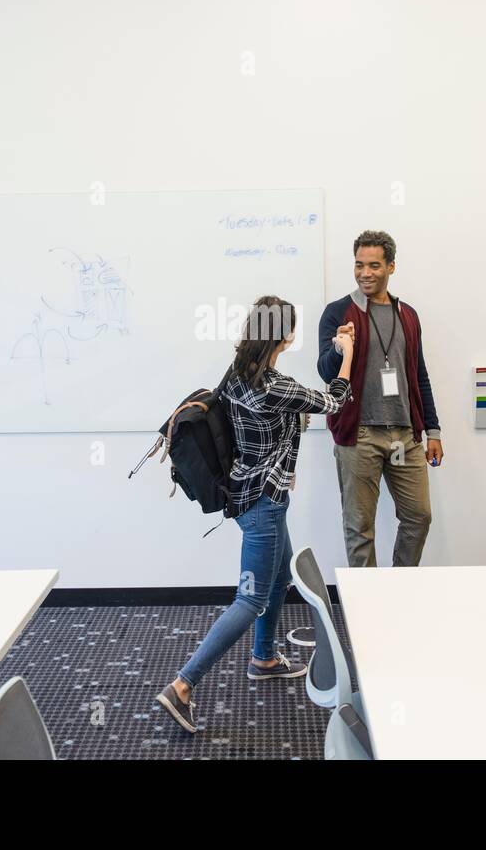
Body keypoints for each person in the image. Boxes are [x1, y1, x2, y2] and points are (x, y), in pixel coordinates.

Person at [155, 296, 354, 733]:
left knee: (280, 578)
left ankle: (264, 659)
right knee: (250, 599)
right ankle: (183, 686)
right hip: (263, 504)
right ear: (286, 335)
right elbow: (334, 401)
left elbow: (270, 424)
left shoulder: (238, 376)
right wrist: (348, 357)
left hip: (250, 494)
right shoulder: (275, 386)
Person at [317, 230, 441, 568]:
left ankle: (397, 589)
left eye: (374, 265)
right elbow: (325, 372)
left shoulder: (408, 316)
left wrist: (433, 431)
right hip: (360, 435)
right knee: (360, 528)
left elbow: (419, 376)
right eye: (359, 265)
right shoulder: (338, 312)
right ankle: (366, 605)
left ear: (391, 267)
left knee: (419, 517)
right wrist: (340, 348)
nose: (365, 273)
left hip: (405, 435)